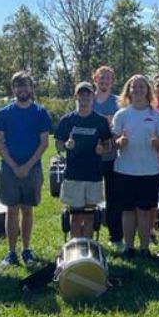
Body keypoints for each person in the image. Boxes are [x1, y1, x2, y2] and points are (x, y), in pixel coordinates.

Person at [0, 71, 52, 267]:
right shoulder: (4, 113)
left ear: (31, 88)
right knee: (11, 211)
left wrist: (27, 166)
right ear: (13, 89)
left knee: (27, 210)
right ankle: (11, 253)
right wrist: (14, 165)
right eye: (18, 85)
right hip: (9, 169)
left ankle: (26, 250)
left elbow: (44, 143)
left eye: (26, 85)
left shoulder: (40, 113)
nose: (22, 89)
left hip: (32, 169)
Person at [111, 75, 159, 257]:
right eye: (134, 87)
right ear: (129, 90)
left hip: (149, 171)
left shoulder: (155, 115)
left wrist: (158, 143)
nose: (137, 90)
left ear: (147, 91)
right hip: (125, 171)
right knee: (128, 212)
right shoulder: (122, 114)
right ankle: (129, 247)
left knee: (144, 212)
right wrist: (120, 141)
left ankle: (144, 249)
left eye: (141, 87)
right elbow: (113, 143)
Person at [54, 82, 112, 239]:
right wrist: (66, 145)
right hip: (73, 175)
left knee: (89, 215)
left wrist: (103, 149)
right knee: (76, 215)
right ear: (76, 96)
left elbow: (107, 144)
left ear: (93, 97)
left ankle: (87, 246)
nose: (84, 97)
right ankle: (76, 250)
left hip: (93, 174)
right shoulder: (67, 120)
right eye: (81, 94)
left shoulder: (100, 121)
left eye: (88, 94)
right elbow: (58, 144)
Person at [92, 65, 124, 252]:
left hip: (113, 156)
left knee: (114, 198)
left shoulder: (118, 102)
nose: (104, 81)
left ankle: (116, 236)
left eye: (108, 78)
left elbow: (117, 127)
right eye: (101, 78)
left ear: (112, 81)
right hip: (92, 157)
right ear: (95, 79)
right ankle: (89, 236)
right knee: (91, 198)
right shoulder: (88, 98)